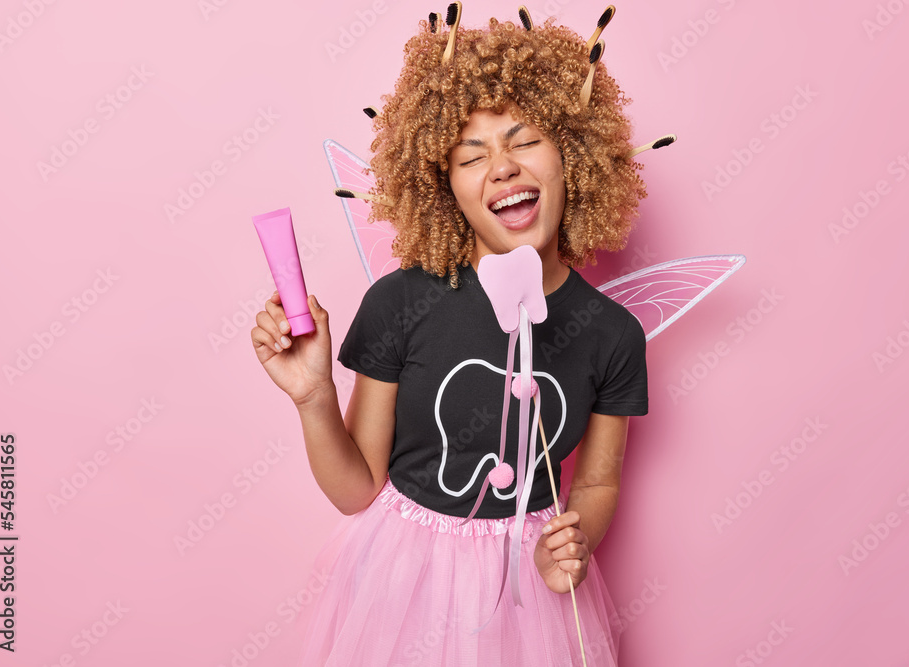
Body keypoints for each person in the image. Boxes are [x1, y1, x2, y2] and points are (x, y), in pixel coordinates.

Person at [251, 9, 649, 665]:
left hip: (531, 598)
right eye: (472, 156)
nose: (501, 167)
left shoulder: (612, 335)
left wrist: (575, 544)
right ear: (443, 189)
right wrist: (313, 395)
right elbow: (355, 488)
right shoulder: (400, 303)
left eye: (524, 142)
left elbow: (599, 483)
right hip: (403, 583)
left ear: (574, 156)